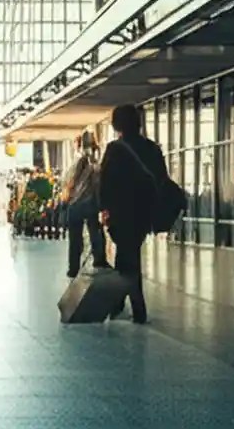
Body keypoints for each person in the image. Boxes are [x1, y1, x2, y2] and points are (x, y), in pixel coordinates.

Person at [98, 104, 165, 324]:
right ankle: (118, 304)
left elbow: (104, 182)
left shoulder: (115, 149)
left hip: (120, 212)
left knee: (128, 257)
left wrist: (104, 208)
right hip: (143, 214)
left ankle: (137, 307)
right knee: (127, 254)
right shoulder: (152, 149)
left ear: (117, 124)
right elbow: (161, 180)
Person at [64, 132, 108, 277]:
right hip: (90, 204)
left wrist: (69, 197)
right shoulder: (95, 165)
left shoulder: (76, 163)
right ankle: (99, 260)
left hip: (75, 204)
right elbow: (98, 186)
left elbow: (68, 183)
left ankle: (73, 267)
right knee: (95, 231)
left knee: (75, 238)